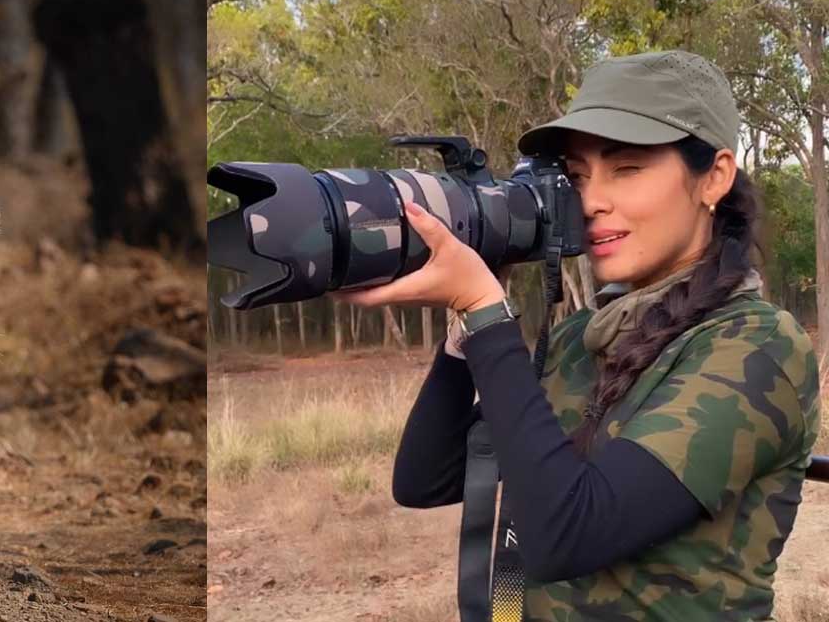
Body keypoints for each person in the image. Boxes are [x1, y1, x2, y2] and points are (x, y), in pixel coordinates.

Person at [333, 50, 821, 621]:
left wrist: (485, 309)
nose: (592, 201)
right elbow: (426, 479)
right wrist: (468, 316)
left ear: (713, 177)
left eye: (626, 168)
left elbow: (566, 535)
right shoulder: (578, 340)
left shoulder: (756, 347)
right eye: (579, 176)